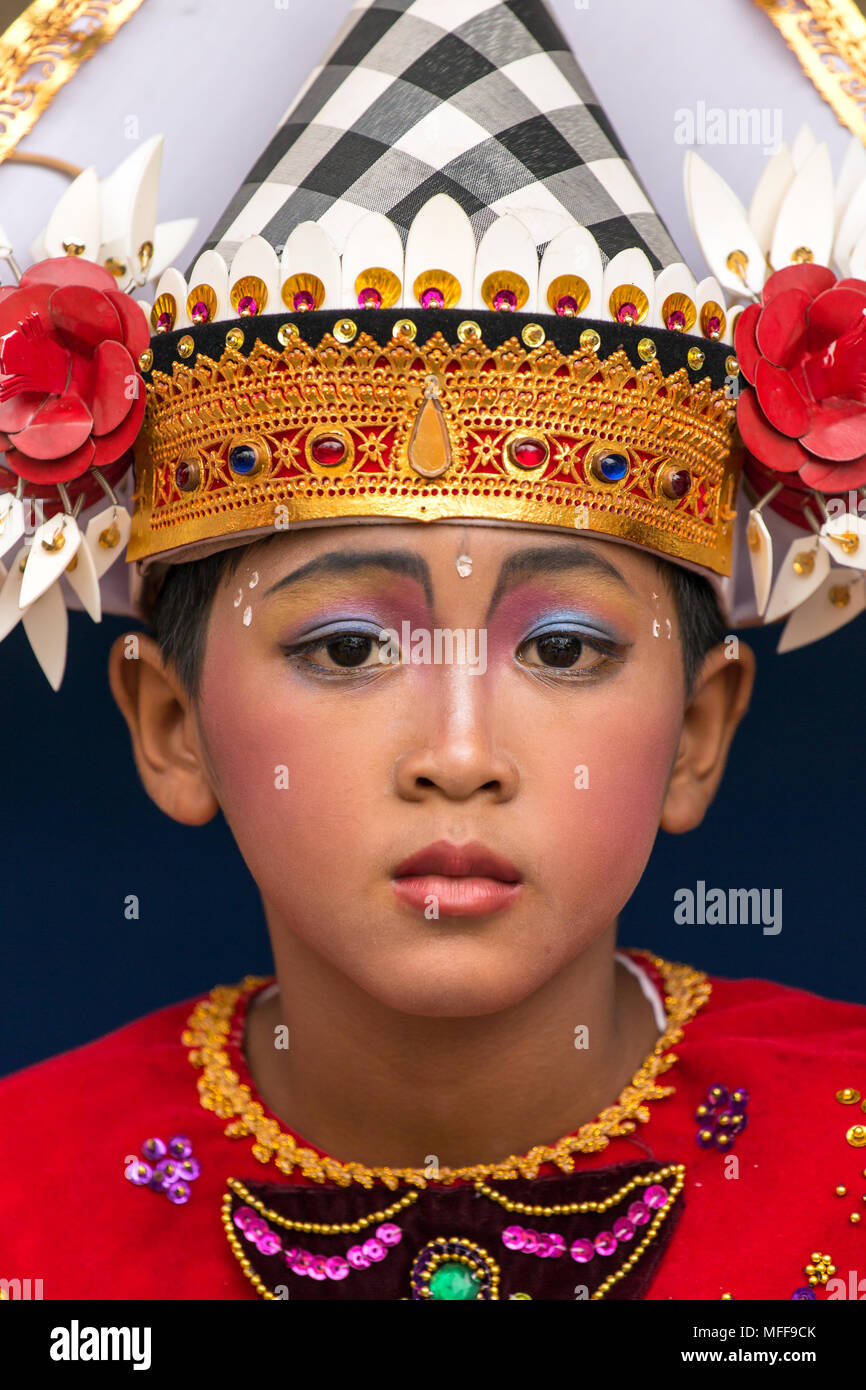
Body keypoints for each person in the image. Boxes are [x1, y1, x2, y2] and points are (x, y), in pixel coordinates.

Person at [1, 0, 865, 1302]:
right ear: (167, 721)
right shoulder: (28, 1199)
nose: (458, 755)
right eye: (346, 645)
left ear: (698, 730)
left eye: (565, 648)